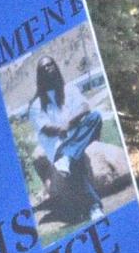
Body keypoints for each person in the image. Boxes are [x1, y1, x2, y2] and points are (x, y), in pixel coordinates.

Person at [30, 54, 104, 224]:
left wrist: (69, 122)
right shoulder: (35, 105)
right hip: (59, 147)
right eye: (44, 68)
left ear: (56, 66)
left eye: (50, 65)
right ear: (39, 76)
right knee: (72, 164)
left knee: (96, 117)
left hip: (75, 138)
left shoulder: (69, 89)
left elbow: (85, 107)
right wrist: (67, 125)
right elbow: (48, 129)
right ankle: (94, 207)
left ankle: (69, 157)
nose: (49, 69)